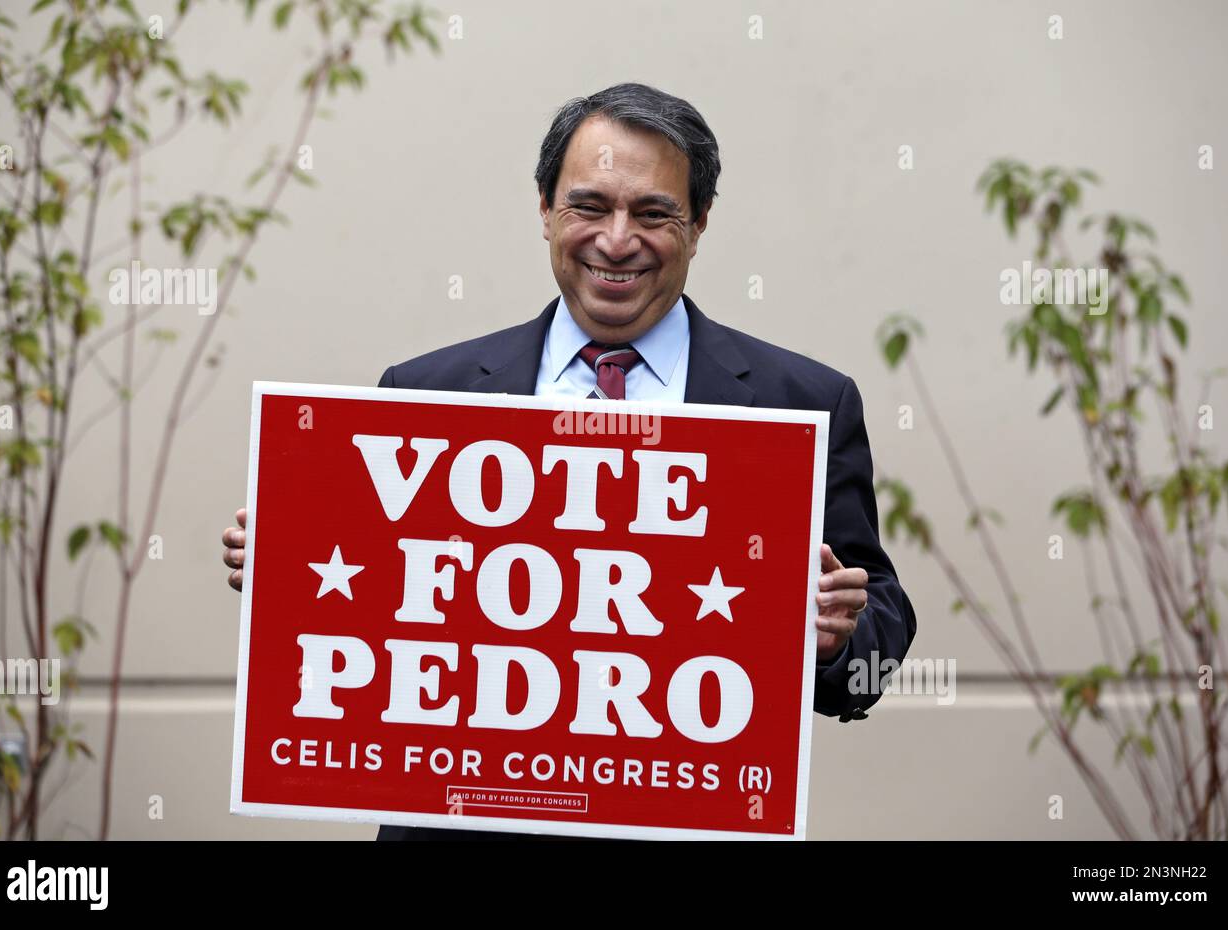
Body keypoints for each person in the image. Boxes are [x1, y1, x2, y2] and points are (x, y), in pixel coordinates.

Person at [221, 83, 917, 840]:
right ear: (545, 209)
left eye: (653, 213)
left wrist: (837, 640)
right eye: (589, 206)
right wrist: (289, 571)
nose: (617, 241)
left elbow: (869, 642)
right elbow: (367, 611)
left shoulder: (802, 405)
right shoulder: (424, 394)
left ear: (700, 223)